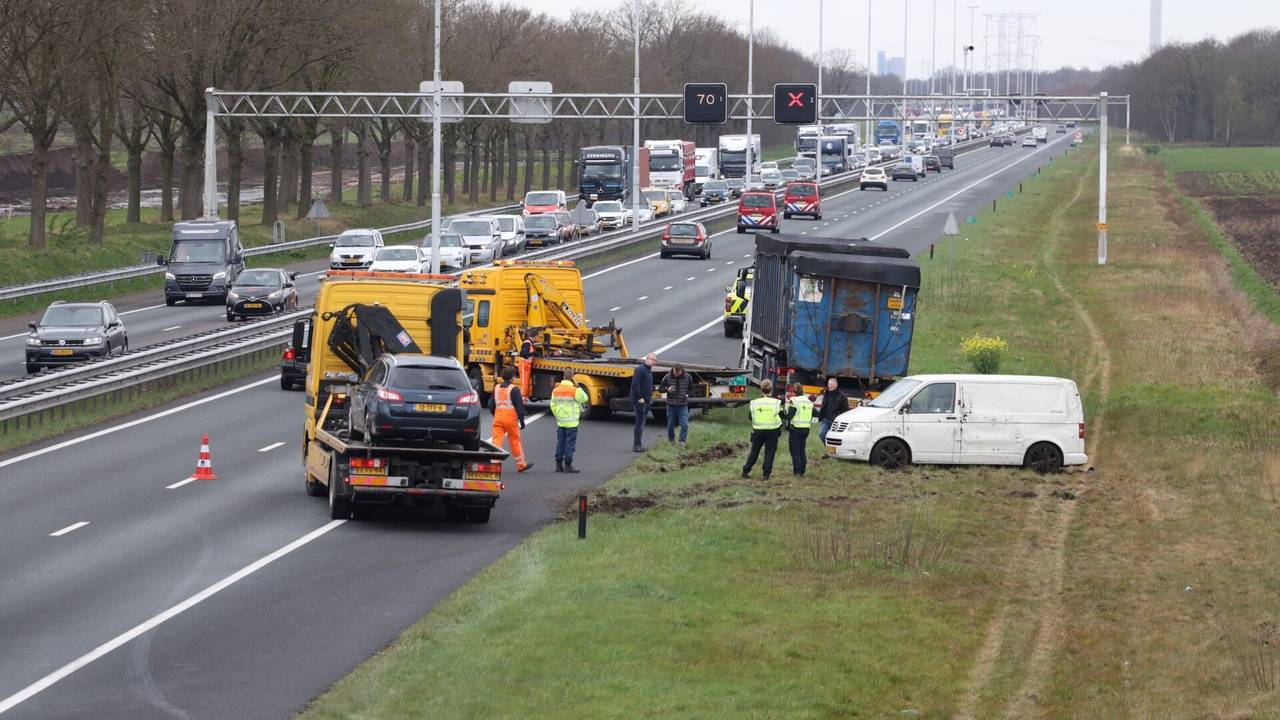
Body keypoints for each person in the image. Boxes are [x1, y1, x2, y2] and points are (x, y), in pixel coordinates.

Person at [488, 367, 532, 473]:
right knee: (514, 441)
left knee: (496, 441)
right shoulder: (514, 389)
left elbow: (491, 406)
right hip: (510, 419)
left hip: (498, 418)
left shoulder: (496, 388)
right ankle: (521, 464)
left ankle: (494, 464)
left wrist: (496, 415)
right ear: (512, 377)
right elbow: (519, 407)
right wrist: (522, 421)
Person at [742, 379, 782, 480]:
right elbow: (782, 415)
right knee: (770, 453)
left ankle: (746, 470)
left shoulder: (755, 403)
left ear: (761, 389)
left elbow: (750, 417)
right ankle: (766, 474)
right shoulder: (776, 403)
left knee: (754, 452)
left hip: (758, 431)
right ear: (771, 390)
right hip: (772, 431)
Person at [550, 379, 589, 473]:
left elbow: (553, 405)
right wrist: (578, 387)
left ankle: (558, 465)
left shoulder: (556, 390)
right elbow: (585, 398)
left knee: (560, 442)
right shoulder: (574, 390)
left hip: (561, 421)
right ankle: (568, 465)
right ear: (572, 379)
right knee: (569, 443)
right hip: (571, 422)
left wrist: (558, 416)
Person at [784, 382, 814, 476]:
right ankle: (802, 470)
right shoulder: (808, 401)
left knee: (794, 450)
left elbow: (789, 416)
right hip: (806, 429)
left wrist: (783, 413)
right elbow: (816, 414)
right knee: (801, 450)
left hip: (796, 429)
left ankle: (797, 471)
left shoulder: (794, 401)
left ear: (794, 391)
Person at [629, 353, 656, 452]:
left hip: (646, 400)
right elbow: (635, 384)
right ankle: (637, 445)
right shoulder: (640, 369)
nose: (653, 361)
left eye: (654, 360)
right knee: (639, 423)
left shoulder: (649, 371)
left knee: (642, 423)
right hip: (639, 401)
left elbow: (647, 384)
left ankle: (638, 444)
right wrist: (640, 397)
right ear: (647, 359)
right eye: (651, 359)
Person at [660, 364, 691, 447]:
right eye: (675, 372)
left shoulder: (687, 377)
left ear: (682, 370)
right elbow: (660, 389)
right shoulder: (667, 376)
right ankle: (671, 441)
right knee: (670, 425)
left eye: (678, 372)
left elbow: (692, 389)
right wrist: (667, 389)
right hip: (671, 405)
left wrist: (687, 394)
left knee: (684, 424)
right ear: (673, 369)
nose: (676, 374)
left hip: (683, 405)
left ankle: (682, 442)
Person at [817, 377, 849, 446]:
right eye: (829, 384)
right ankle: (828, 449)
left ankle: (833, 450)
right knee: (821, 434)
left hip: (835, 420)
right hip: (825, 419)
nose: (829, 386)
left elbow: (845, 410)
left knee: (834, 438)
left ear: (836, 385)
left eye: (831, 384)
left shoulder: (842, 396)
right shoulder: (826, 393)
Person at [518, 330, 535, 397]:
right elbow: (522, 353)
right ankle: (521, 400)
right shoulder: (527, 343)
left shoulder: (529, 343)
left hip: (527, 365)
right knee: (524, 384)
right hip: (524, 364)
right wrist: (533, 353)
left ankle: (524, 399)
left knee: (526, 383)